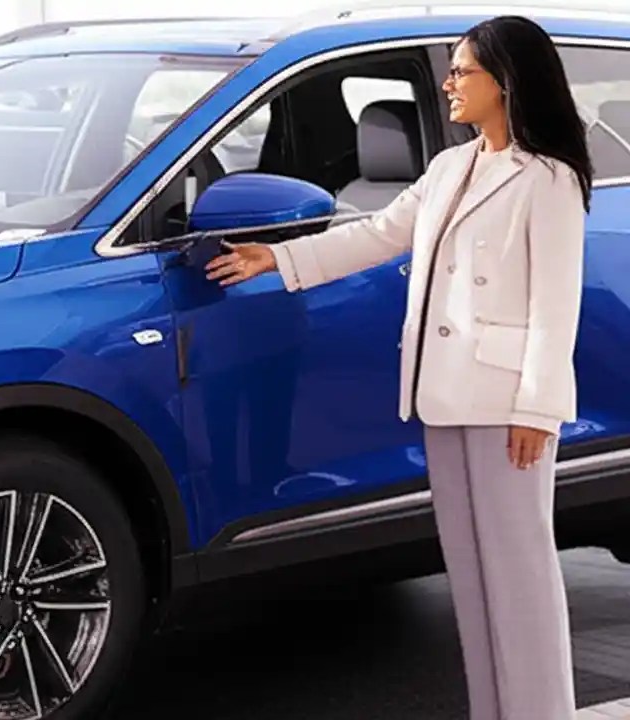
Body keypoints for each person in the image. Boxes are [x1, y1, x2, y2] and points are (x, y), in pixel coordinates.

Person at [204, 15, 590, 720]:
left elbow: (555, 305)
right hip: (445, 394)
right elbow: (380, 234)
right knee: (473, 578)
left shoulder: (549, 180)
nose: (448, 82)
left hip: (507, 404)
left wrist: (537, 409)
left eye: (463, 70)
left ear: (505, 84)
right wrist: (280, 258)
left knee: (521, 577)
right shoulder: (450, 167)